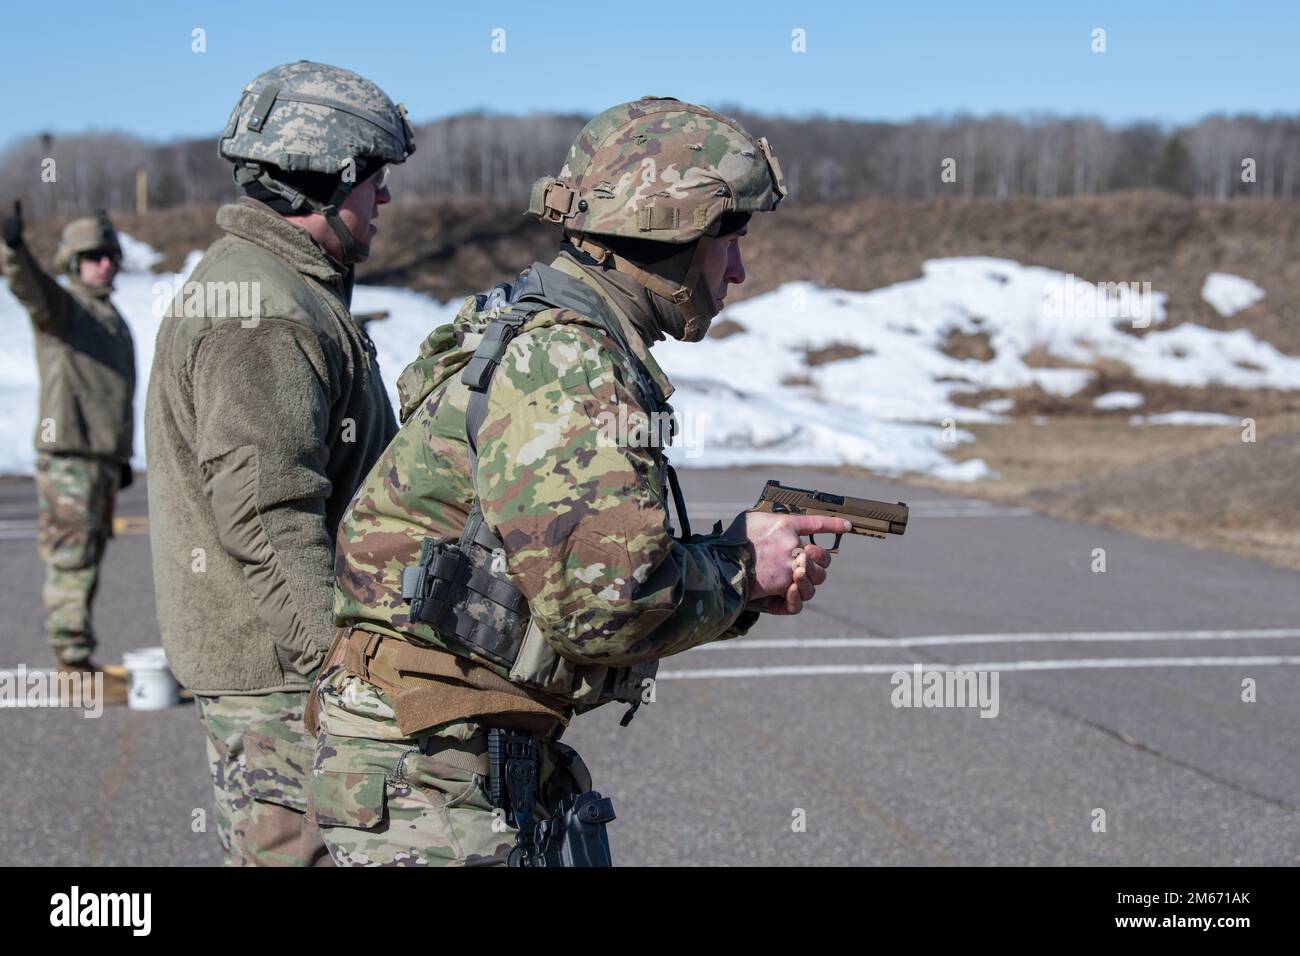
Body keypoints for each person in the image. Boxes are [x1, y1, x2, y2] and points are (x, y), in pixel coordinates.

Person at [309, 96, 847, 866]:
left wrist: (736, 575)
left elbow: (566, 575)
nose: (738, 268)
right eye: (728, 240)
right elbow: (606, 610)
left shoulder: (534, 329)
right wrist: (740, 568)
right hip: (433, 763)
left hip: (442, 745)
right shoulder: (566, 362)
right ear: (670, 233)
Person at [144, 60, 415, 866]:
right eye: (375, 180)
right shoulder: (263, 311)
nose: (386, 200)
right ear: (325, 182)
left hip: (283, 671)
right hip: (285, 685)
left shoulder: (274, 287)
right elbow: (267, 519)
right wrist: (341, 683)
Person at [2, 203, 135, 704]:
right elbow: (29, 287)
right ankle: (71, 666)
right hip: (70, 459)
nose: (102, 264)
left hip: (97, 460)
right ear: (72, 262)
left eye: (108, 255)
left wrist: (118, 457)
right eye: (91, 256)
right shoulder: (66, 309)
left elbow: (109, 395)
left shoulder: (108, 314)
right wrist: (13, 249)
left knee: (90, 555)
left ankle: (76, 658)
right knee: (72, 560)